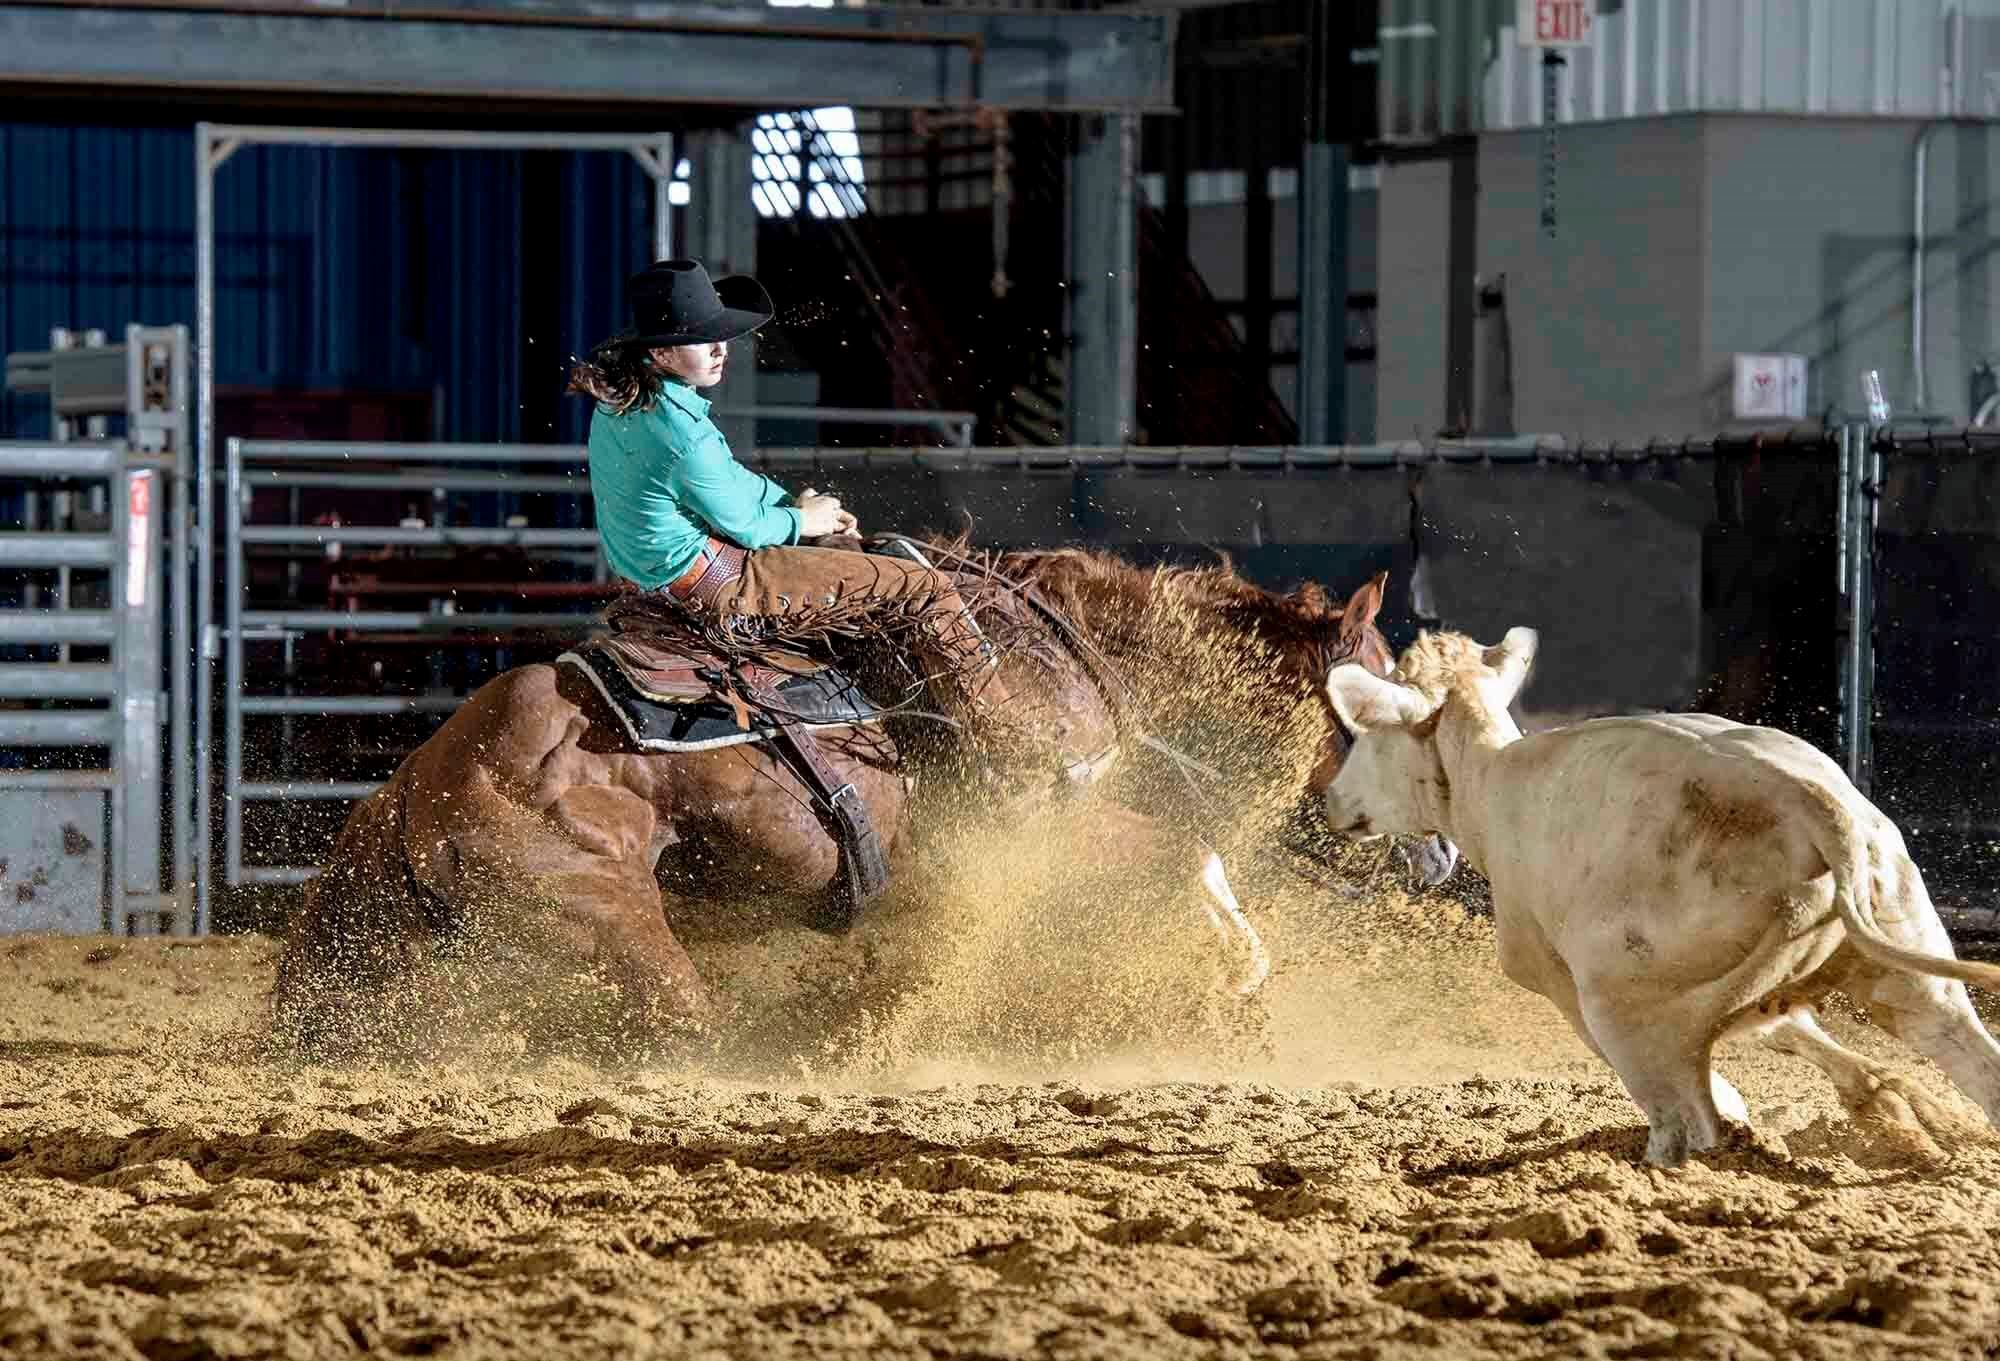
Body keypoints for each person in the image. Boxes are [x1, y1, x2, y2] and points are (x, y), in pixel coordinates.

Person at [569, 257, 1010, 736]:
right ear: (661, 355)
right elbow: (747, 528)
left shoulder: (622, 406)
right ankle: (1006, 734)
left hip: (653, 582)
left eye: (719, 334)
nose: (720, 349)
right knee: (927, 589)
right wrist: (805, 521)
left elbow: (728, 483)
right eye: (701, 338)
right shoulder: (684, 435)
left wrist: (793, 508)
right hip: (721, 584)